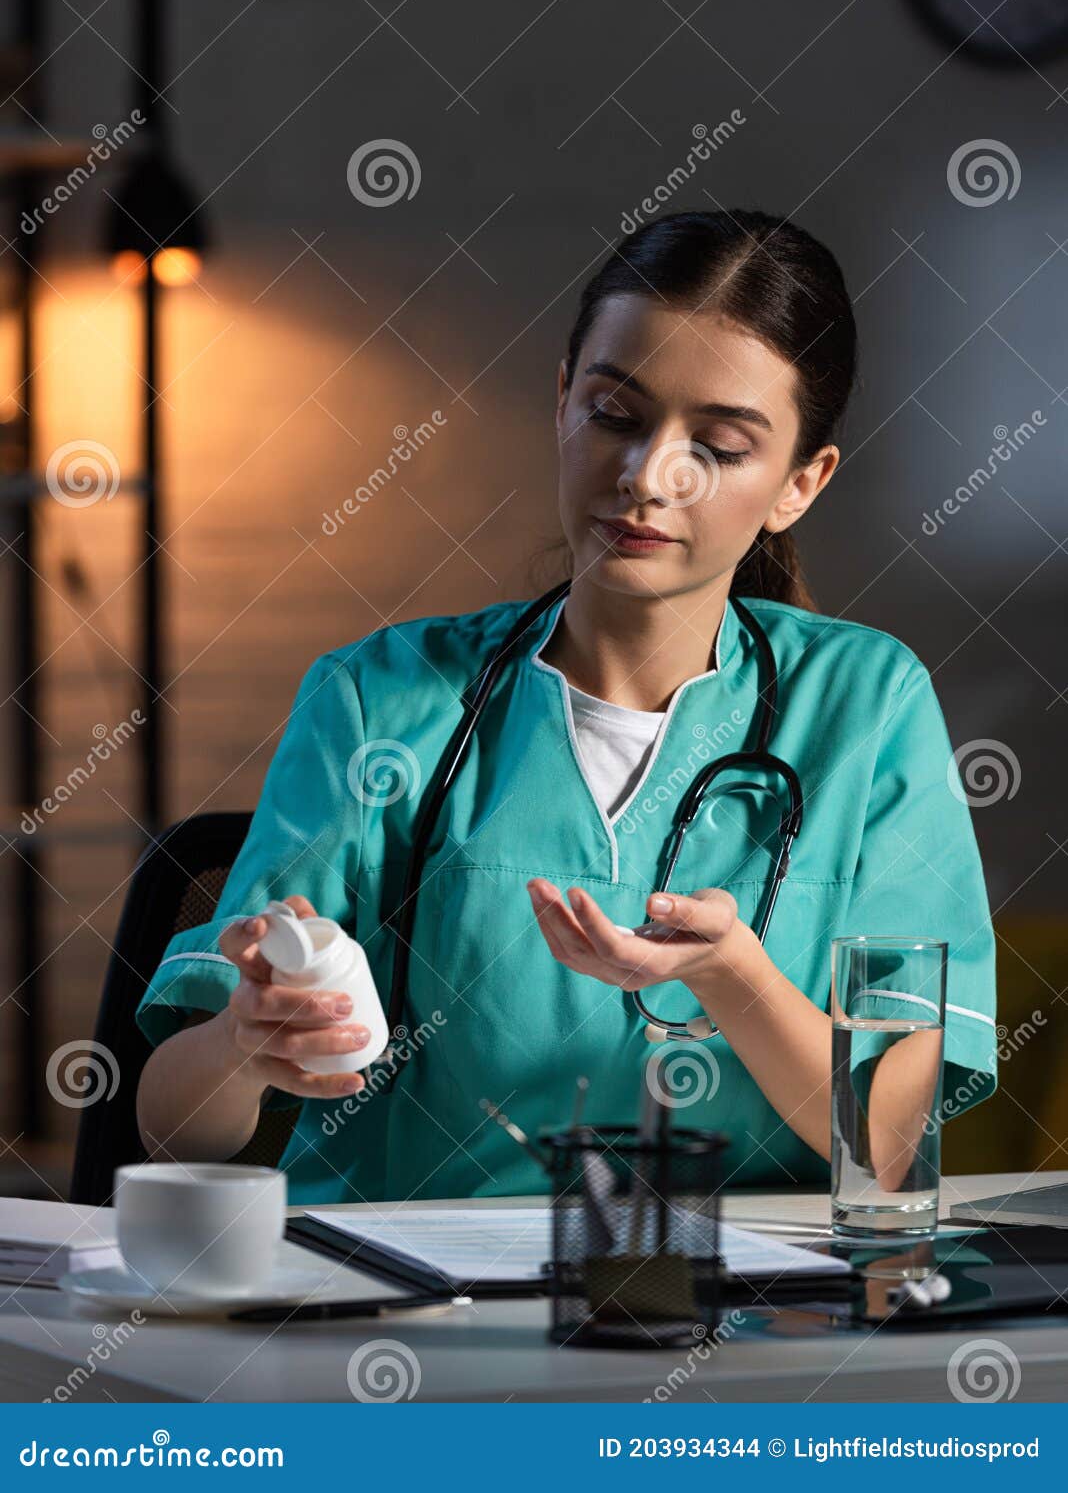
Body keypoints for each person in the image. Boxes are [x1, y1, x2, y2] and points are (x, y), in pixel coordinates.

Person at [135, 209, 998, 1205]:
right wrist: (243, 1044)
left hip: (745, 1315)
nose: (645, 476)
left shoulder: (868, 705)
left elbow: (889, 1147)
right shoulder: (378, 698)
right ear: (561, 404)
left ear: (799, 485)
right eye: (616, 415)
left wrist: (735, 978)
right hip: (411, 1315)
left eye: (717, 446)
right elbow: (172, 1131)